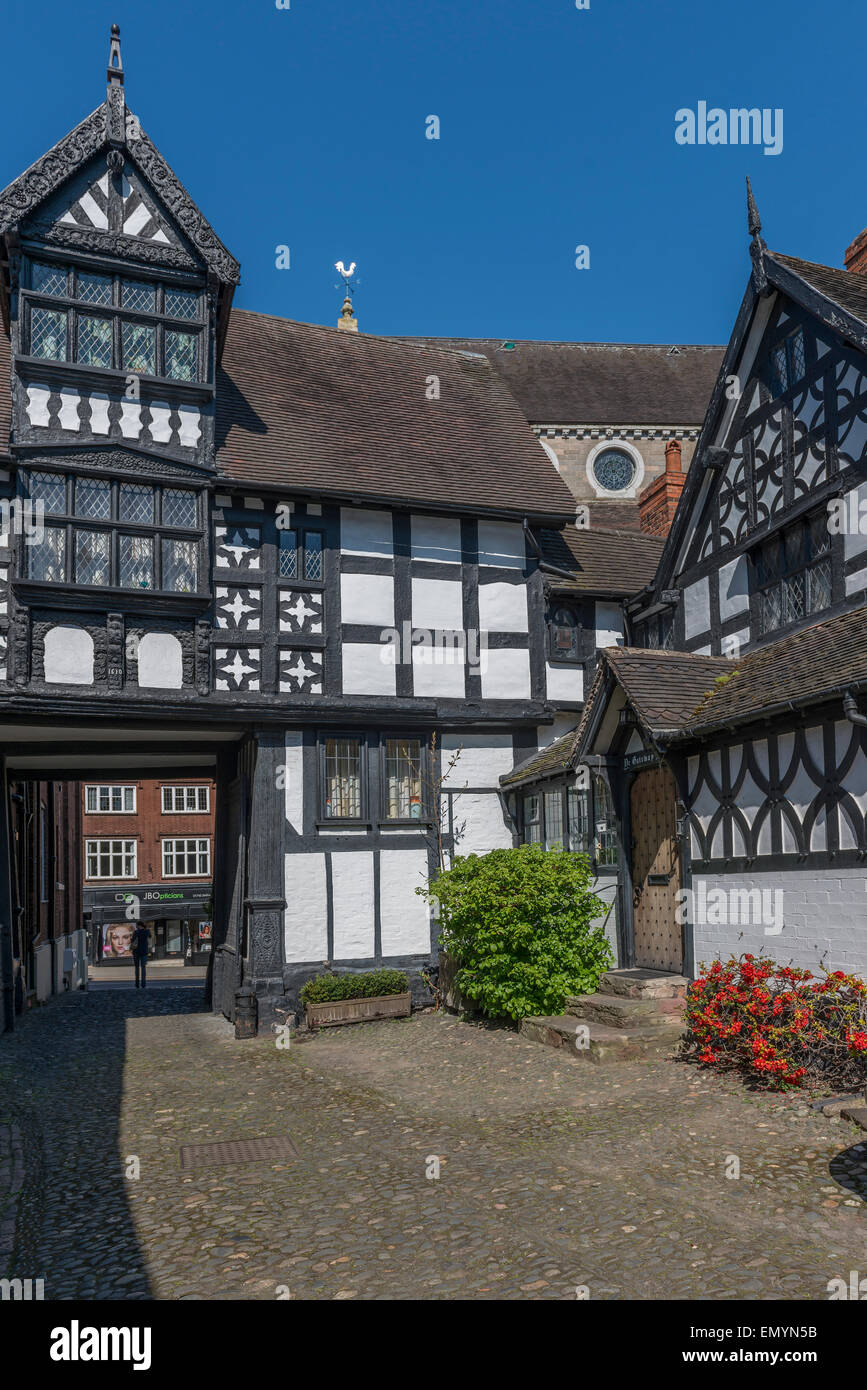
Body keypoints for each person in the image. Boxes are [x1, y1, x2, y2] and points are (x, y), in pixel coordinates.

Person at [131, 922, 151, 989]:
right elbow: (150, 938)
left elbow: (132, 941)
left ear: (139, 925)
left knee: (137, 968)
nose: (136, 926)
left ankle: (137, 984)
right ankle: (143, 984)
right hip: (144, 952)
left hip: (136, 952)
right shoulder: (147, 931)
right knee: (143, 968)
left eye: (136, 925)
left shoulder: (136, 932)